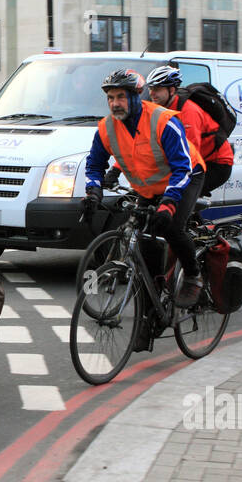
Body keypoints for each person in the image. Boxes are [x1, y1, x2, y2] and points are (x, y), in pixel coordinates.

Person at [82, 68, 205, 308]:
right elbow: (94, 164)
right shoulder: (107, 128)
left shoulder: (163, 121)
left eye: (120, 97)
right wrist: (93, 191)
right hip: (148, 187)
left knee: (170, 228)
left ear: (137, 96)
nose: (114, 103)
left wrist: (169, 203)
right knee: (145, 239)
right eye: (110, 98)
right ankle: (152, 308)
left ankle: (193, 274)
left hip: (185, 177)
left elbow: (182, 167)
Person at [145, 64, 234, 196]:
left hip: (215, 163)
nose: (152, 93)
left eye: (157, 89)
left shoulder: (188, 112)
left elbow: (189, 153)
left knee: (178, 195)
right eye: (150, 88)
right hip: (193, 160)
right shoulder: (158, 110)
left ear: (171, 90)